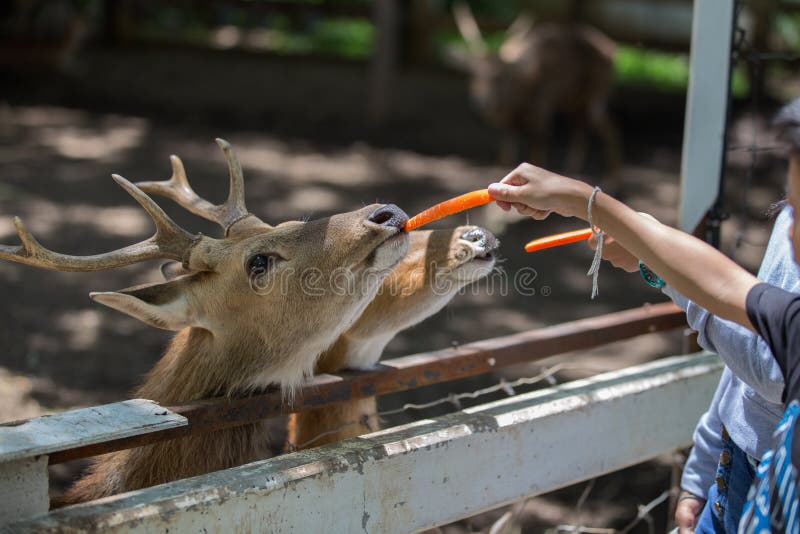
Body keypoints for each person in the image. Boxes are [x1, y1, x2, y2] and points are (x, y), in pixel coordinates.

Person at [486, 98, 800, 532]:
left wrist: (591, 205)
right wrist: (706, 461)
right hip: (739, 466)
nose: (789, 230)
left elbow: (766, 354)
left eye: (799, 213)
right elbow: (735, 298)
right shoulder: (786, 303)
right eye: (788, 206)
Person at [589, 204, 797, 533]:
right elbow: (753, 355)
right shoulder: (791, 224)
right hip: (735, 467)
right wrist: (704, 468)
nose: (788, 228)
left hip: (777, 488)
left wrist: (656, 261)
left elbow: (774, 366)